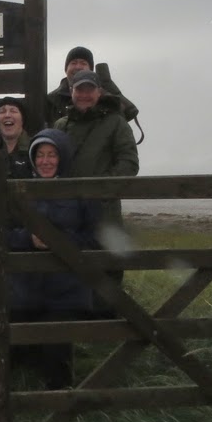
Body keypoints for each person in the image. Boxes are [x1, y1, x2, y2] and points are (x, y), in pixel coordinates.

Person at [8, 129, 99, 389]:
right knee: (14, 347)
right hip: (25, 288)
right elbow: (2, 234)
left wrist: (61, 242)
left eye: (52, 155)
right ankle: (12, 399)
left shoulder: (79, 192)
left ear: (63, 158)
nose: (45, 161)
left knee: (57, 352)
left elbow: (92, 238)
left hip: (66, 289)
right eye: (40, 155)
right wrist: (28, 239)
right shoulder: (18, 191)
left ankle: (61, 400)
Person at [53, 69, 139, 317]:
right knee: (70, 271)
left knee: (107, 277)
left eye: (90, 89)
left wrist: (98, 191)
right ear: (71, 92)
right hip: (70, 217)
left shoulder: (116, 123)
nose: (84, 95)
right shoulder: (61, 125)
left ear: (99, 92)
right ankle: (76, 332)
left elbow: (129, 164)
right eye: (79, 89)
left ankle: (105, 336)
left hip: (105, 215)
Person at [44, 46, 138, 129]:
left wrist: (107, 91)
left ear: (91, 70)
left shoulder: (102, 96)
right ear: (66, 69)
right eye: (73, 63)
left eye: (83, 63)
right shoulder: (51, 99)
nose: (78, 67)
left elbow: (128, 113)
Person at [0, 97, 34, 179]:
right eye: (2, 111)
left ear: (22, 119)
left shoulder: (35, 149)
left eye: (13, 111)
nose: (7, 115)